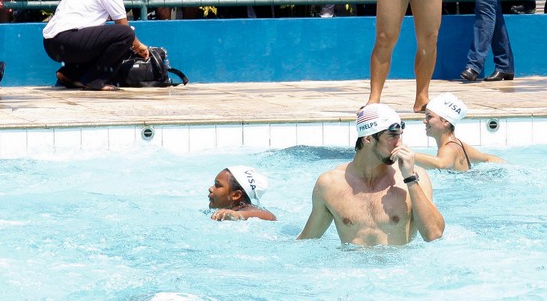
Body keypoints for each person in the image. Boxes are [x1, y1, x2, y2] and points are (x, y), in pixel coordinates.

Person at [298, 104, 444, 246]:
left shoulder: (415, 176)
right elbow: (307, 241)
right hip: (351, 269)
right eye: (392, 136)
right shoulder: (329, 184)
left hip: (399, 269)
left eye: (400, 136)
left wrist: (410, 179)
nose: (400, 144)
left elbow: (434, 235)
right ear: (368, 139)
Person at [42, 0, 149, 91]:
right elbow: (123, 25)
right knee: (126, 34)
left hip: (51, 44)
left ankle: (70, 73)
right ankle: (95, 80)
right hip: (67, 40)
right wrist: (139, 45)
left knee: (105, 39)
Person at [414, 92, 505, 171]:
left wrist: (410, 156)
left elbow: (441, 164)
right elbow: (487, 158)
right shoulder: (459, 144)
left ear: (446, 121)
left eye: (429, 117)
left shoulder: (449, 149)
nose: (425, 121)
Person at [207, 166, 277, 221]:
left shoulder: (247, 210)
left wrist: (238, 215)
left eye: (218, 185)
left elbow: (270, 216)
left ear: (236, 195)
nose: (210, 188)